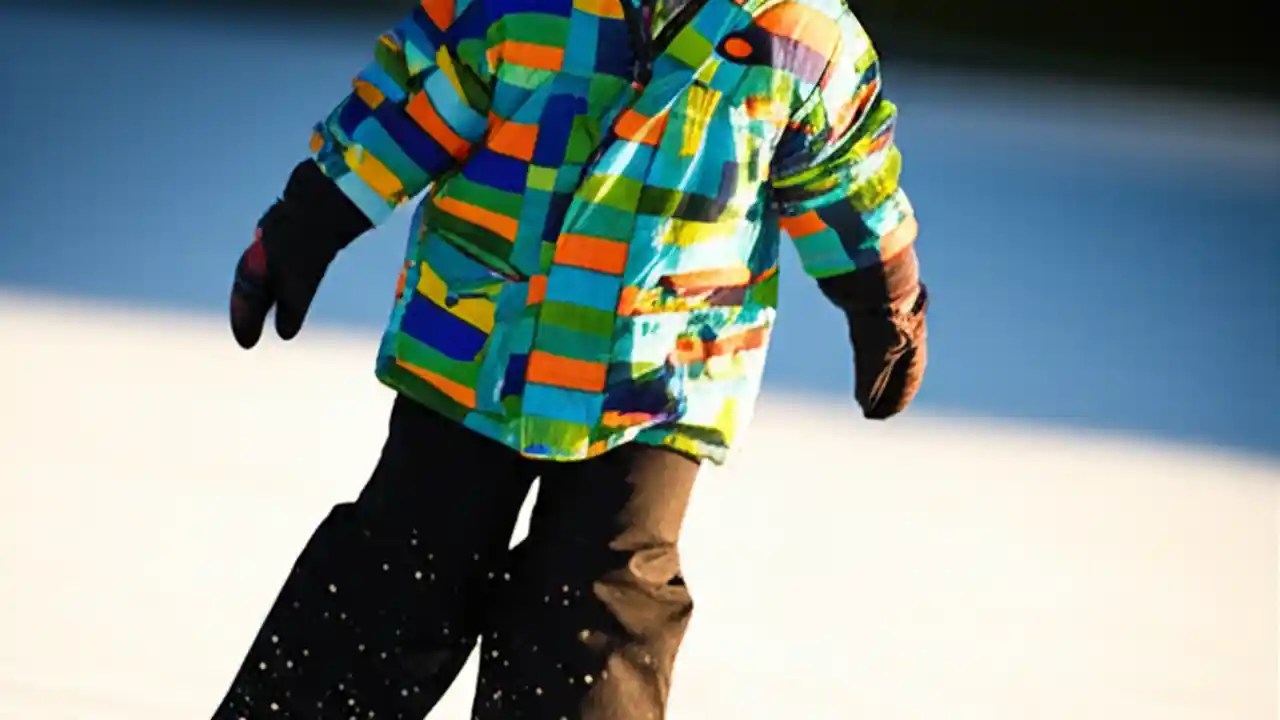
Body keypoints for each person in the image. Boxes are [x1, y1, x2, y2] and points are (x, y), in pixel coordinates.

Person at [215, 0, 928, 715]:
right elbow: (414, 102)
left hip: (660, 372)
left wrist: (884, 296)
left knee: (601, 603)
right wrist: (310, 218)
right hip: (478, 341)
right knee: (406, 563)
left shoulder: (803, 34)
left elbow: (842, 171)